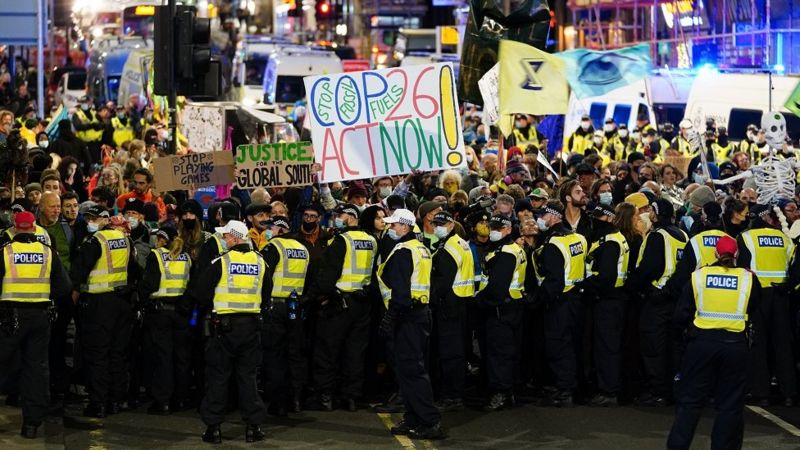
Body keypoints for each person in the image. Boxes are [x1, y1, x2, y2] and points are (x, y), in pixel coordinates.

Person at [667, 236, 760, 450]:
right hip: (735, 345)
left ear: (716, 255)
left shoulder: (699, 276)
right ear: (736, 255)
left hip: (702, 343)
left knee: (690, 403)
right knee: (729, 406)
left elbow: (681, 313)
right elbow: (754, 306)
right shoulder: (747, 278)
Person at [190, 220, 269, 443]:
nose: (223, 240)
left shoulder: (221, 262)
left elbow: (201, 292)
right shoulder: (261, 262)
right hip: (252, 326)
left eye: (225, 236)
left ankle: (214, 429)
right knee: (248, 378)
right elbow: (267, 294)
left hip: (223, 328)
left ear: (234, 238)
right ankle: (253, 428)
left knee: (218, 377)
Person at [0, 211, 71, 438]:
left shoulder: (5, 252)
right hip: (40, 316)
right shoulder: (48, 253)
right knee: (36, 368)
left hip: (9, 316)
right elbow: (64, 287)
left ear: (15, 229)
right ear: (33, 228)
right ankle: (31, 424)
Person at [377, 208, 445, 440]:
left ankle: (429, 420)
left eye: (394, 225)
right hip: (420, 314)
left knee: (411, 371)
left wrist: (391, 316)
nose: (391, 228)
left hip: (408, 316)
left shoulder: (405, 250)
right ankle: (415, 418)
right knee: (411, 370)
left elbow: (401, 290)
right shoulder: (421, 249)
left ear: (405, 226)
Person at [69, 205, 139, 418]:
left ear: (103, 220)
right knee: (117, 353)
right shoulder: (125, 240)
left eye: (93, 218)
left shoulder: (95, 241)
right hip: (122, 302)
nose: (90, 221)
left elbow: (78, 272)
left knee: (98, 354)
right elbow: (135, 271)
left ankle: (98, 403)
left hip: (99, 304)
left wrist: (72, 297)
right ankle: (116, 401)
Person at [307, 204, 377, 411]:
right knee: (355, 352)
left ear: (352, 217)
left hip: (339, 303)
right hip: (362, 303)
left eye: (341, 215)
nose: (337, 218)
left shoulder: (341, 241)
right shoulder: (372, 240)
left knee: (328, 351)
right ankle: (351, 397)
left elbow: (329, 276)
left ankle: (325, 397)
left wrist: (318, 296)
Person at [630, 199, 688, 406]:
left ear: (655, 214)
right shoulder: (682, 234)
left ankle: (658, 391)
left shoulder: (657, 236)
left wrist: (636, 284)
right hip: (676, 299)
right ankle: (672, 389)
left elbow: (649, 268)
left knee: (654, 347)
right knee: (673, 347)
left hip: (657, 299)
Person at [740, 204, 796, 406]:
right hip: (781, 294)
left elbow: (743, 268)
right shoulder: (784, 238)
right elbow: (793, 263)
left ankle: (761, 392)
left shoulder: (746, 238)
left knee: (759, 344)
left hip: (758, 295)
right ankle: (789, 392)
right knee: (783, 345)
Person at [534, 200, 587, 407]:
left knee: (558, 346)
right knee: (573, 344)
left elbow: (554, 280)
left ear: (554, 216)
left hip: (559, 302)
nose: (540, 219)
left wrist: (539, 299)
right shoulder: (579, 238)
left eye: (544, 215)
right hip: (577, 299)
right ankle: (572, 386)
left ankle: (564, 390)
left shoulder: (554, 244)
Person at [138, 227, 192, 415]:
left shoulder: (157, 256)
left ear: (162, 239)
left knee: (163, 358)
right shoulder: (186, 257)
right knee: (182, 358)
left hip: (160, 314)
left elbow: (149, 285)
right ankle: (181, 399)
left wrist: (142, 299)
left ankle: (163, 401)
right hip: (181, 313)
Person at [260, 216, 311, 415]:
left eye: (270, 227)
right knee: (295, 354)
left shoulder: (274, 247)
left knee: (275, 355)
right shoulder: (303, 248)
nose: (267, 231)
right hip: (295, 307)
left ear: (279, 229)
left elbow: (264, 278)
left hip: (275, 307)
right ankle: (296, 399)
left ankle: (278, 403)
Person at [584, 203, 630, 407]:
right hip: (612, 299)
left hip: (608, 300)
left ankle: (609, 391)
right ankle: (607, 387)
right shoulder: (611, 238)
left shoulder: (611, 242)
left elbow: (607, 277)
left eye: (599, 217)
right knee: (607, 346)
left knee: (607, 347)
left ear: (609, 218)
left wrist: (587, 286)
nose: (595, 220)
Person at [480, 214, 527, 411]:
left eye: (498, 228)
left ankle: (501, 393)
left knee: (499, 353)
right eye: (492, 227)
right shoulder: (514, 249)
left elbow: (497, 287)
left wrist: (479, 301)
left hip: (500, 309)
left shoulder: (506, 252)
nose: (493, 231)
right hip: (513, 307)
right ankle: (509, 391)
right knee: (508, 352)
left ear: (508, 230)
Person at [430, 210, 474, 412]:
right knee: (457, 352)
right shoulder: (461, 243)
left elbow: (442, 282)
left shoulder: (449, 247)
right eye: (434, 223)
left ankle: (452, 396)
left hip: (449, 305)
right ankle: (456, 393)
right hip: (461, 303)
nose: (436, 226)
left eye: (441, 223)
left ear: (450, 225)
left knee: (450, 354)